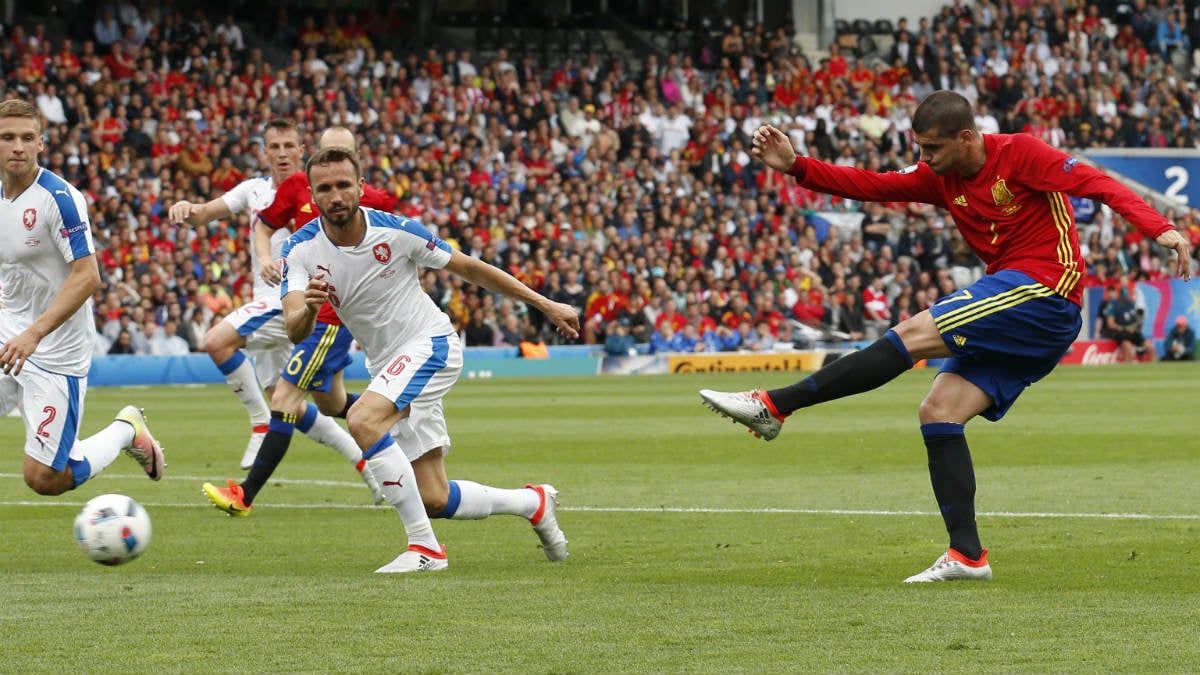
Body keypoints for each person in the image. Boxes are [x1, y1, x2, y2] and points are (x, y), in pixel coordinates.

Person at [699, 91, 1192, 583]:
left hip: (1045, 291)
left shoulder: (1020, 153)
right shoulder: (942, 176)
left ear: (966, 137)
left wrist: (1160, 228)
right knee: (938, 411)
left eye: (931, 147)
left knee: (912, 332)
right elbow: (872, 185)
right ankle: (967, 555)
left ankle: (774, 405)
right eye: (920, 147)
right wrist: (796, 166)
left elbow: (1097, 183)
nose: (923, 158)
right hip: (1017, 307)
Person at [279, 146, 580, 572]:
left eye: (344, 185)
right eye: (324, 188)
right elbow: (294, 327)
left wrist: (545, 304)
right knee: (435, 497)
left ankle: (426, 549)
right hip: (389, 366)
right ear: (312, 194)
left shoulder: (398, 231)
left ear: (361, 187)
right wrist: (309, 307)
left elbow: (470, 268)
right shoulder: (300, 249)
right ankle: (532, 502)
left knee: (363, 419)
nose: (336, 195)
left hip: (430, 343)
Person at [202, 127, 397, 515]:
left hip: (329, 318)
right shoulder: (297, 188)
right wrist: (267, 259)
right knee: (332, 404)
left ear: (357, 167)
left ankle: (245, 495)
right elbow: (264, 223)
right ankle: (398, 412)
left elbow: (393, 257)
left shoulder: (378, 203)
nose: (332, 184)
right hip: (303, 309)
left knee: (285, 399)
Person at [168, 119, 359, 472]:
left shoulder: (321, 192)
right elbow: (207, 212)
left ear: (304, 151)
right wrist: (186, 208)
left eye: (290, 146)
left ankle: (258, 423)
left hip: (294, 298)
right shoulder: (254, 190)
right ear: (265, 151)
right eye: (275, 146)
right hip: (266, 298)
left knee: (216, 342)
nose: (283, 153)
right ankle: (364, 462)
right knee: (291, 404)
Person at [0, 99, 164, 496]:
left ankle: (126, 431)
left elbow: (88, 276)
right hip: (8, 332)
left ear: (42, 143)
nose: (17, 146)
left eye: (26, 138)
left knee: (45, 479)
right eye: (7, 138)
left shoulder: (60, 199)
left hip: (56, 348)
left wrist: (34, 333)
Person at [1102, 286, 1150, 362]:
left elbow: (1138, 321)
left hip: (1132, 331)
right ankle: (1128, 366)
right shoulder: (1113, 304)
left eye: (1126, 297)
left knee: (1150, 346)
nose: (1125, 299)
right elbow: (1110, 324)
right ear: (1120, 296)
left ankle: (1155, 369)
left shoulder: (1132, 304)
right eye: (1124, 297)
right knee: (1128, 346)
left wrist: (1134, 327)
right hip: (1120, 332)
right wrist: (1125, 328)